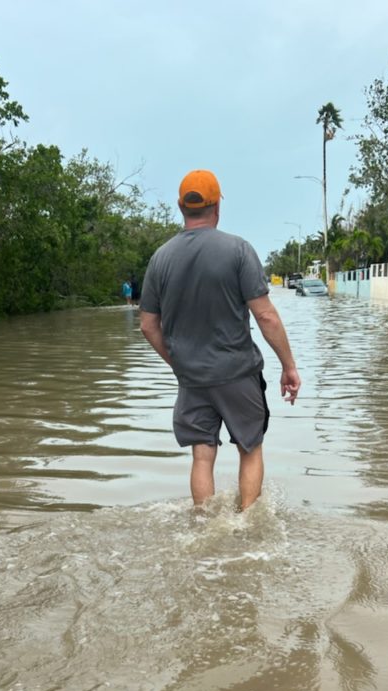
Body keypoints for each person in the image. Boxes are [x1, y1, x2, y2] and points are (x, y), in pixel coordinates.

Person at [139, 169, 301, 510]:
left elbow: (148, 326)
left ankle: (203, 528)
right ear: (217, 208)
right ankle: (245, 527)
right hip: (237, 373)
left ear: (180, 207)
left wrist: (178, 362)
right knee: (250, 448)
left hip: (192, 378)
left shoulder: (160, 260)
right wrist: (289, 366)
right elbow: (266, 315)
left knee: (202, 455)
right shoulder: (238, 250)